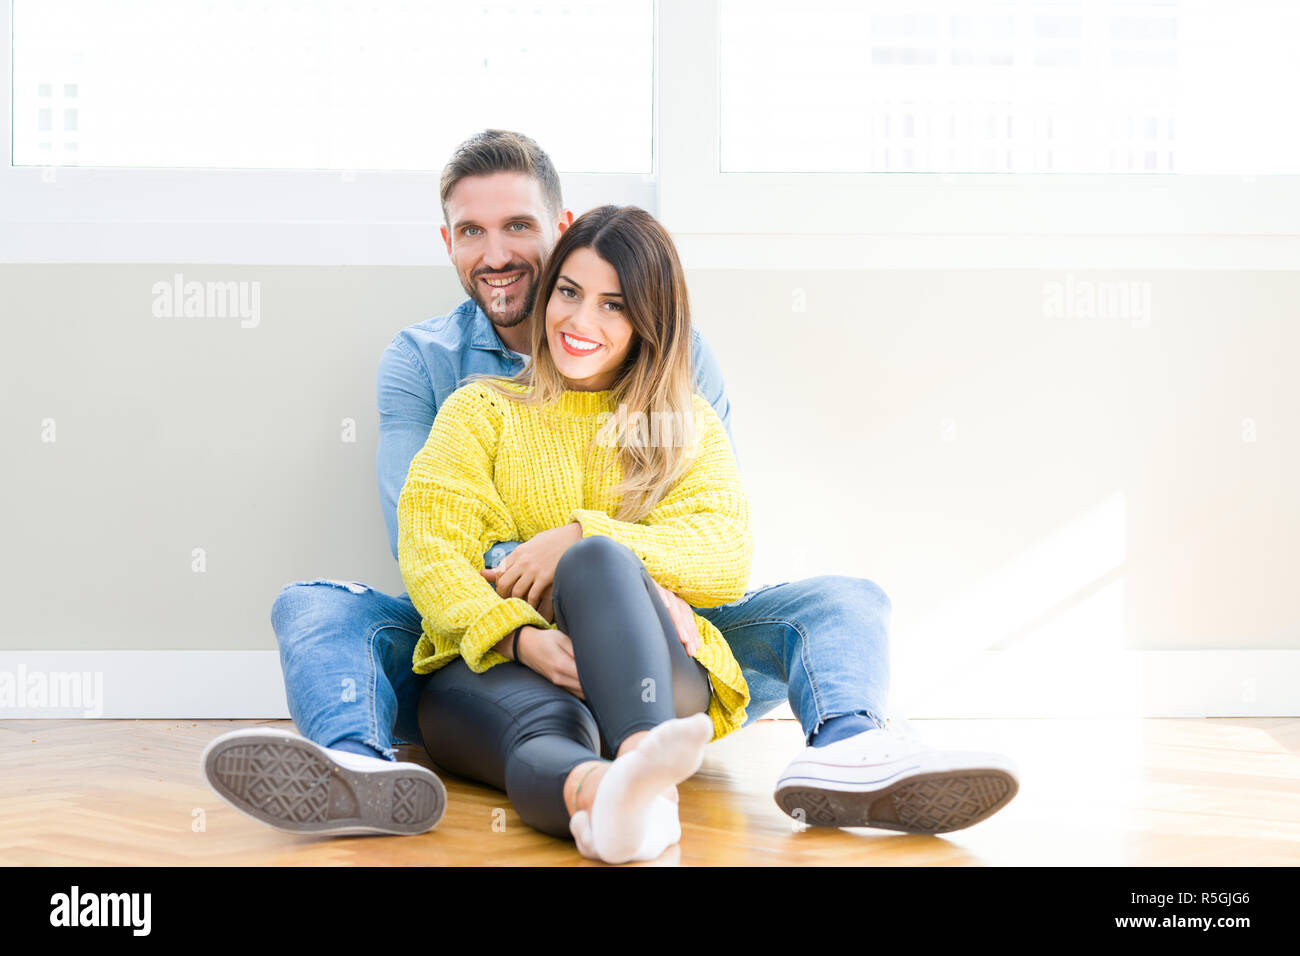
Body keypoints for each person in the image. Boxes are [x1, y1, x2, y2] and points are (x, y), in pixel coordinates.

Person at [201, 129, 1018, 844]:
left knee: (843, 598)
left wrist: (599, 559)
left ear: (558, 237)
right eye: (472, 232)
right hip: (486, 641)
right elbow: (424, 539)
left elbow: (717, 541)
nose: (497, 256)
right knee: (318, 605)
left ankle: (850, 749)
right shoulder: (455, 389)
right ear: (447, 241)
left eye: (518, 228)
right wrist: (533, 620)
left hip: (664, 643)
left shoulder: (677, 394)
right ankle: (358, 763)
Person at [401, 204, 752, 862]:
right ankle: (611, 802)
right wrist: (519, 638)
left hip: (652, 668)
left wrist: (576, 536)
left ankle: (640, 754)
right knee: (544, 735)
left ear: (650, 321)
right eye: (568, 292)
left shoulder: (683, 423)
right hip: (497, 670)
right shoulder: (480, 411)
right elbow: (431, 555)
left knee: (594, 556)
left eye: (613, 305)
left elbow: (724, 553)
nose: (578, 321)